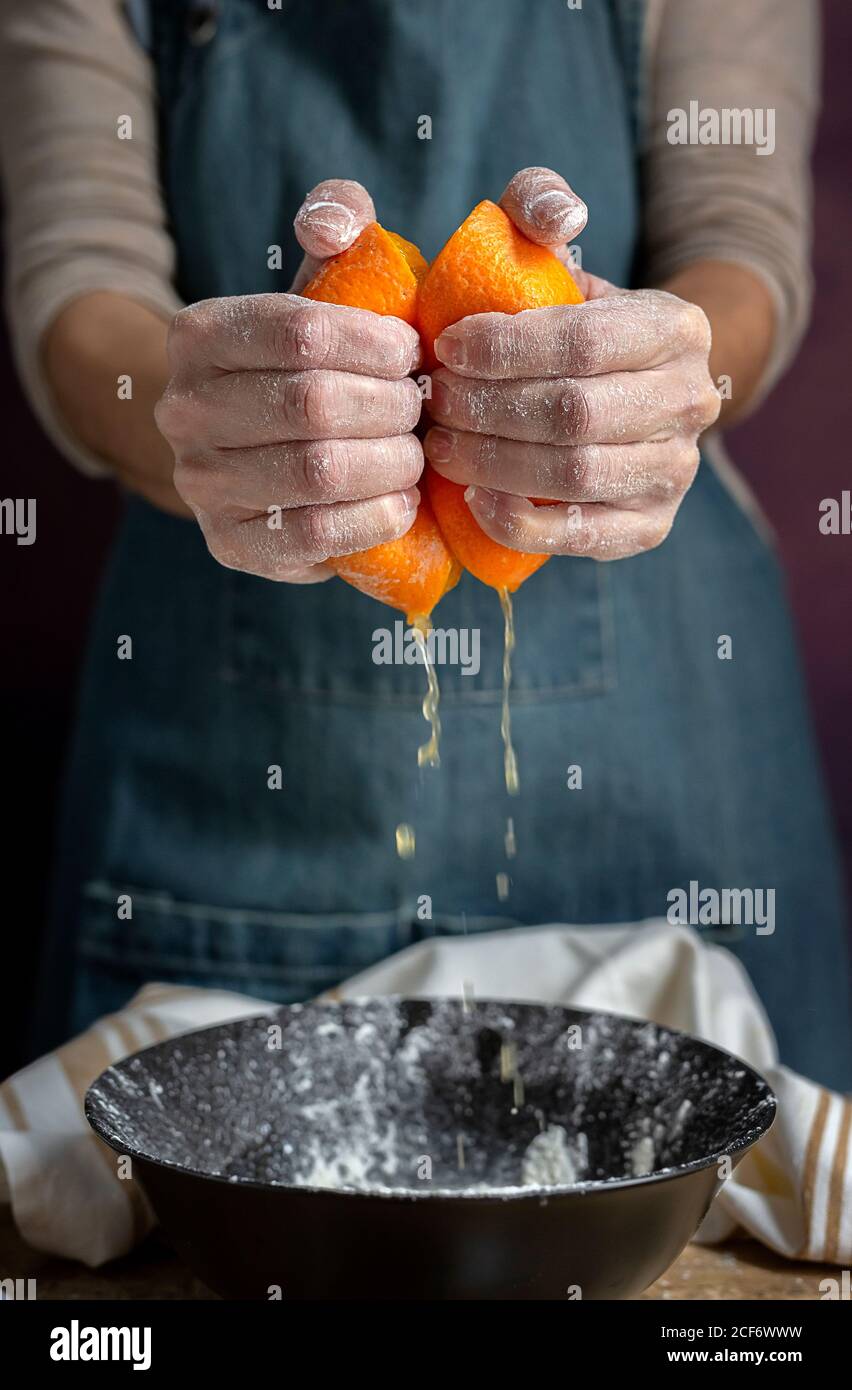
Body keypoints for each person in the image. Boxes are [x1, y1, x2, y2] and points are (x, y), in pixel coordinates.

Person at [1, 0, 849, 1089]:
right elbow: (78, 269)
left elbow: (739, 237)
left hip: (662, 779)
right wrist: (197, 408)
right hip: (230, 819)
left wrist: (653, 372)